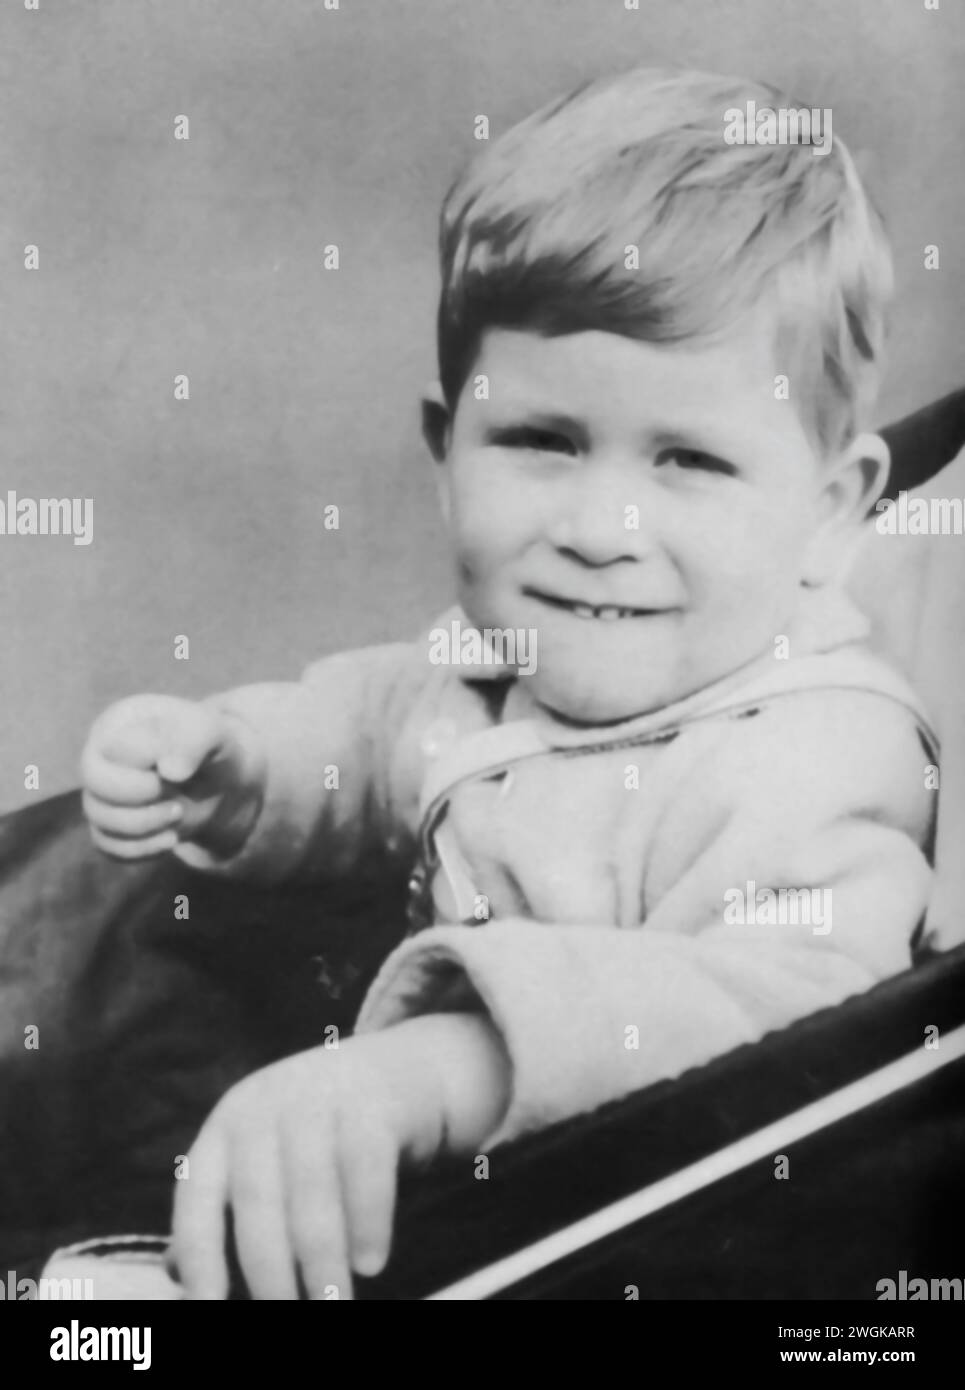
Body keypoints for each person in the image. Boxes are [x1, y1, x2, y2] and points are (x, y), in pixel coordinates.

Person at [79, 67, 937, 1299]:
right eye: (540, 443)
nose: (600, 526)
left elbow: (797, 1015)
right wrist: (242, 768)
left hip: (629, 1245)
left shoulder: (811, 748)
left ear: (829, 512)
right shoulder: (502, 657)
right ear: (445, 456)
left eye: (688, 460)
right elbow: (380, 722)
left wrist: (440, 1070)